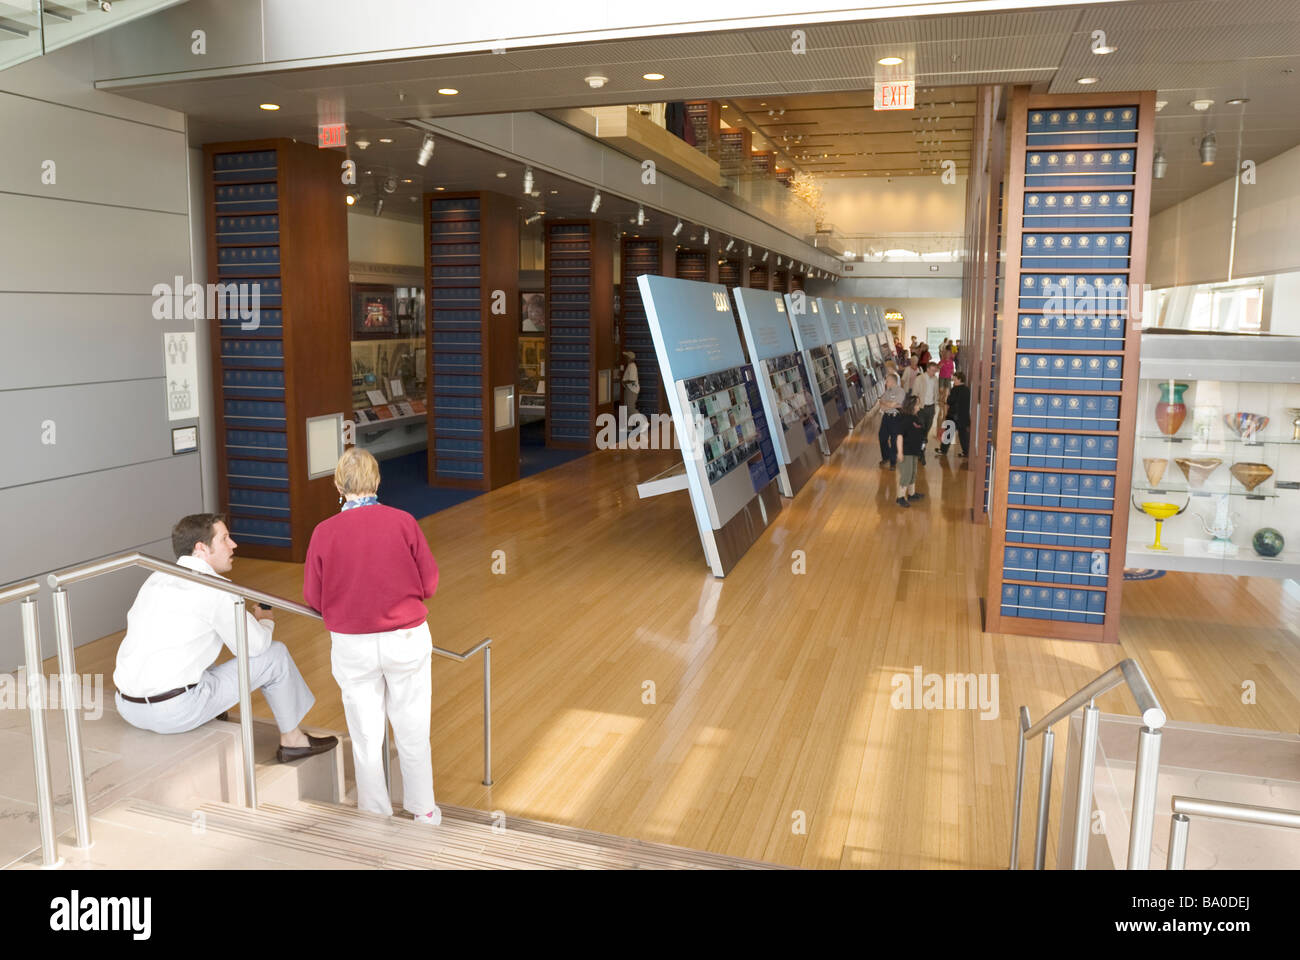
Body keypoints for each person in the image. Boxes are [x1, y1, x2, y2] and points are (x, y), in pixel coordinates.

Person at [113, 514, 337, 762]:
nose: (234, 545)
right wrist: (265, 621)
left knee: (190, 651)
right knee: (275, 654)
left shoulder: (156, 579)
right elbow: (255, 647)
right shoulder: (214, 588)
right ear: (201, 548)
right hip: (174, 712)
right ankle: (293, 741)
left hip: (127, 706)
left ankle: (211, 712)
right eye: (225, 539)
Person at [304, 448, 442, 824]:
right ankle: (423, 810)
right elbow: (429, 583)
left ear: (337, 484)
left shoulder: (323, 532)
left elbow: (313, 598)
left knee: (365, 738)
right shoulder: (403, 522)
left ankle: (373, 814)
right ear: (377, 481)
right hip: (406, 639)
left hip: (352, 645)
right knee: (413, 730)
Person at [895, 395, 927, 508]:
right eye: (918, 404)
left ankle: (911, 494)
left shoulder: (916, 417)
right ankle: (900, 497)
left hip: (914, 451)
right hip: (906, 452)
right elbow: (899, 436)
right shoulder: (905, 419)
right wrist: (899, 452)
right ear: (912, 406)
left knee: (913, 473)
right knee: (906, 475)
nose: (920, 406)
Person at [940, 371, 971, 458]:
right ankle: (966, 452)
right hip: (963, 417)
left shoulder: (955, 389)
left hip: (953, 416)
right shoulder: (967, 390)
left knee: (948, 434)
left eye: (955, 379)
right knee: (963, 436)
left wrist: (947, 397)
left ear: (959, 379)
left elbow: (949, 401)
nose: (954, 381)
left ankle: (943, 450)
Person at [878, 371, 905, 469]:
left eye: (887, 381)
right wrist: (890, 404)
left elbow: (892, 405)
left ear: (892, 381)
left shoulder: (900, 391)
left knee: (894, 440)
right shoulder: (887, 391)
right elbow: (881, 405)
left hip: (895, 418)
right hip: (886, 417)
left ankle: (893, 462)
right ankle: (886, 457)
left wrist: (888, 404)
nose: (886, 383)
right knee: (882, 437)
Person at [916, 361, 940, 465]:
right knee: (922, 431)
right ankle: (921, 453)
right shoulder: (920, 379)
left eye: (936, 371)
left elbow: (936, 393)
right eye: (933, 371)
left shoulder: (935, 379)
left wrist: (936, 404)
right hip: (921, 408)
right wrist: (916, 406)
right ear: (928, 369)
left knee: (926, 431)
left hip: (931, 409)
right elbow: (914, 394)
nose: (934, 373)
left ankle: (920, 450)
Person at [620, 349, 640, 433]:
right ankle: (629, 427)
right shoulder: (630, 365)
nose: (625, 358)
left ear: (629, 358)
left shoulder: (632, 366)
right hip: (629, 389)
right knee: (627, 408)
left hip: (631, 390)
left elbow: (631, 379)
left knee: (630, 408)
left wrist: (624, 381)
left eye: (626, 356)